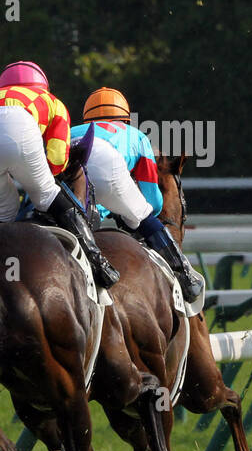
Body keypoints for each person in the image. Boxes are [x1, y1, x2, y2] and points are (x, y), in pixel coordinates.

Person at [0, 60, 119, 288]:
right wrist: (39, 177)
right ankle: (98, 262)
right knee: (47, 194)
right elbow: (57, 160)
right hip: (17, 127)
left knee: (3, 210)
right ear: (42, 84)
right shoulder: (52, 101)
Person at [73, 87, 203, 300]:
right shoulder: (137, 136)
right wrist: (126, 213)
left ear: (87, 117)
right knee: (143, 212)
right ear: (125, 118)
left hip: (70, 181)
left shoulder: (73, 131)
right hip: (109, 173)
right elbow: (152, 200)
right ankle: (185, 276)